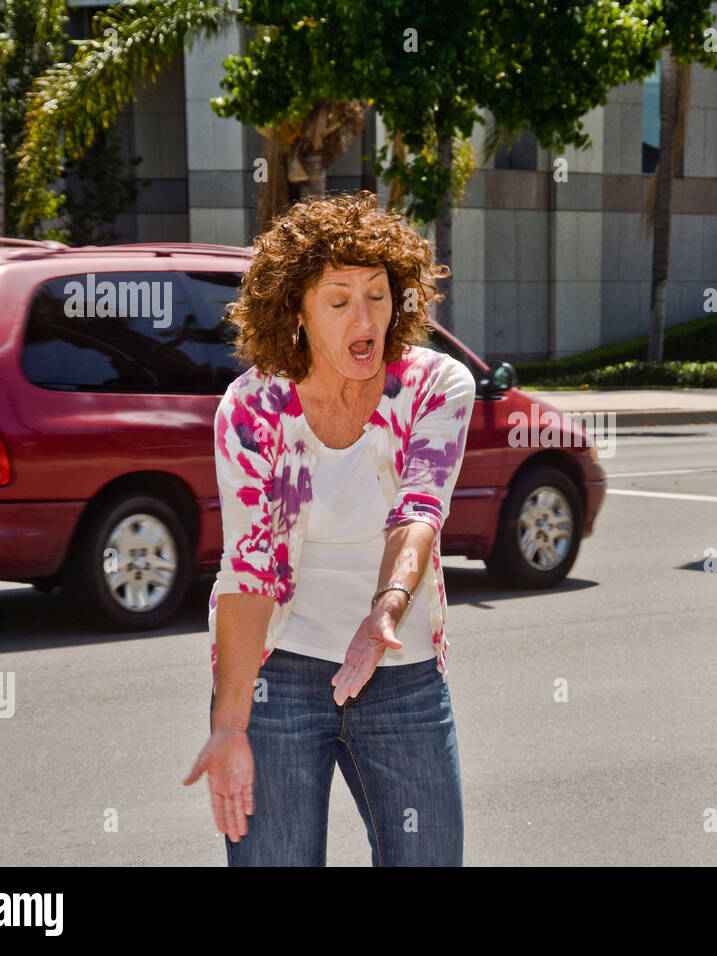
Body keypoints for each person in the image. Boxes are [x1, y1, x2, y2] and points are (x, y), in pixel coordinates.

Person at [182, 191, 476, 866]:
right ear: (298, 312)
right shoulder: (255, 409)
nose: (364, 315)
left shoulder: (435, 386)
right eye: (339, 300)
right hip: (278, 677)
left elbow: (420, 509)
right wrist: (229, 727)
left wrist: (386, 610)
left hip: (401, 673)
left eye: (378, 295)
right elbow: (250, 568)